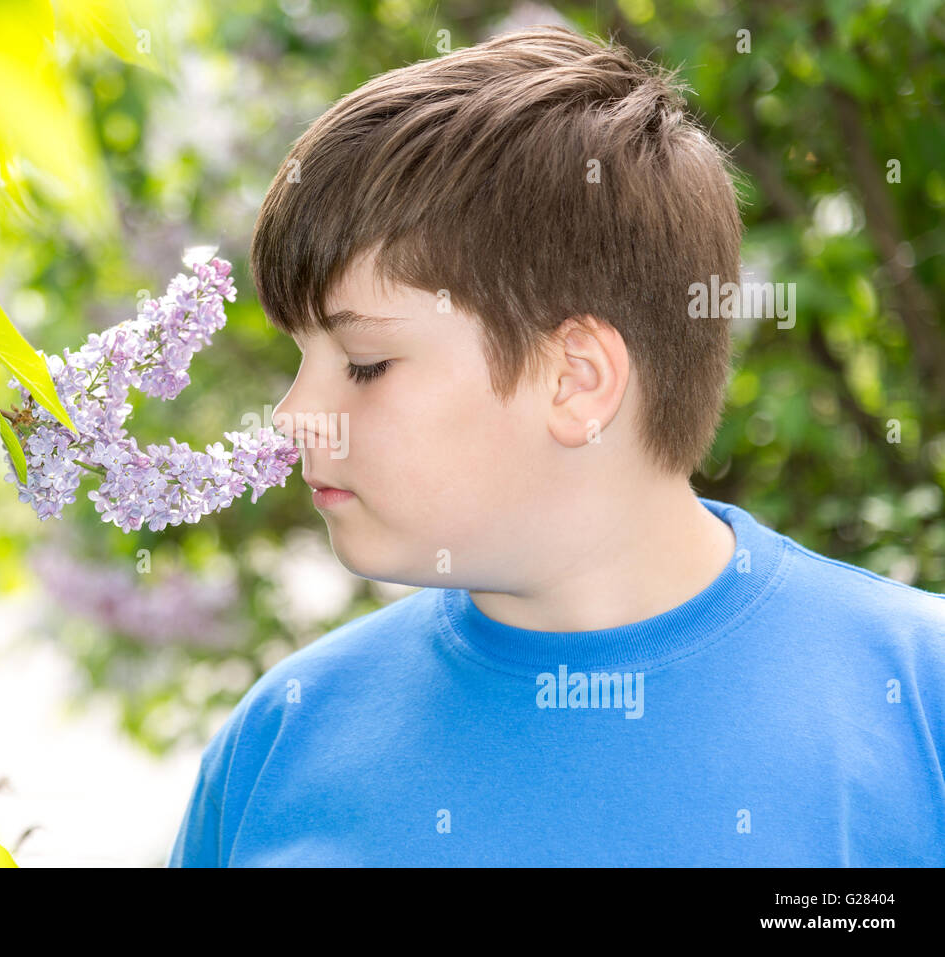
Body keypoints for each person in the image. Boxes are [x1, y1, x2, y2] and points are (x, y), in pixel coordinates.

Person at [166, 25, 945, 866]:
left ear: (575, 379)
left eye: (363, 363)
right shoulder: (277, 741)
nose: (291, 416)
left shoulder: (919, 698)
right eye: (299, 355)